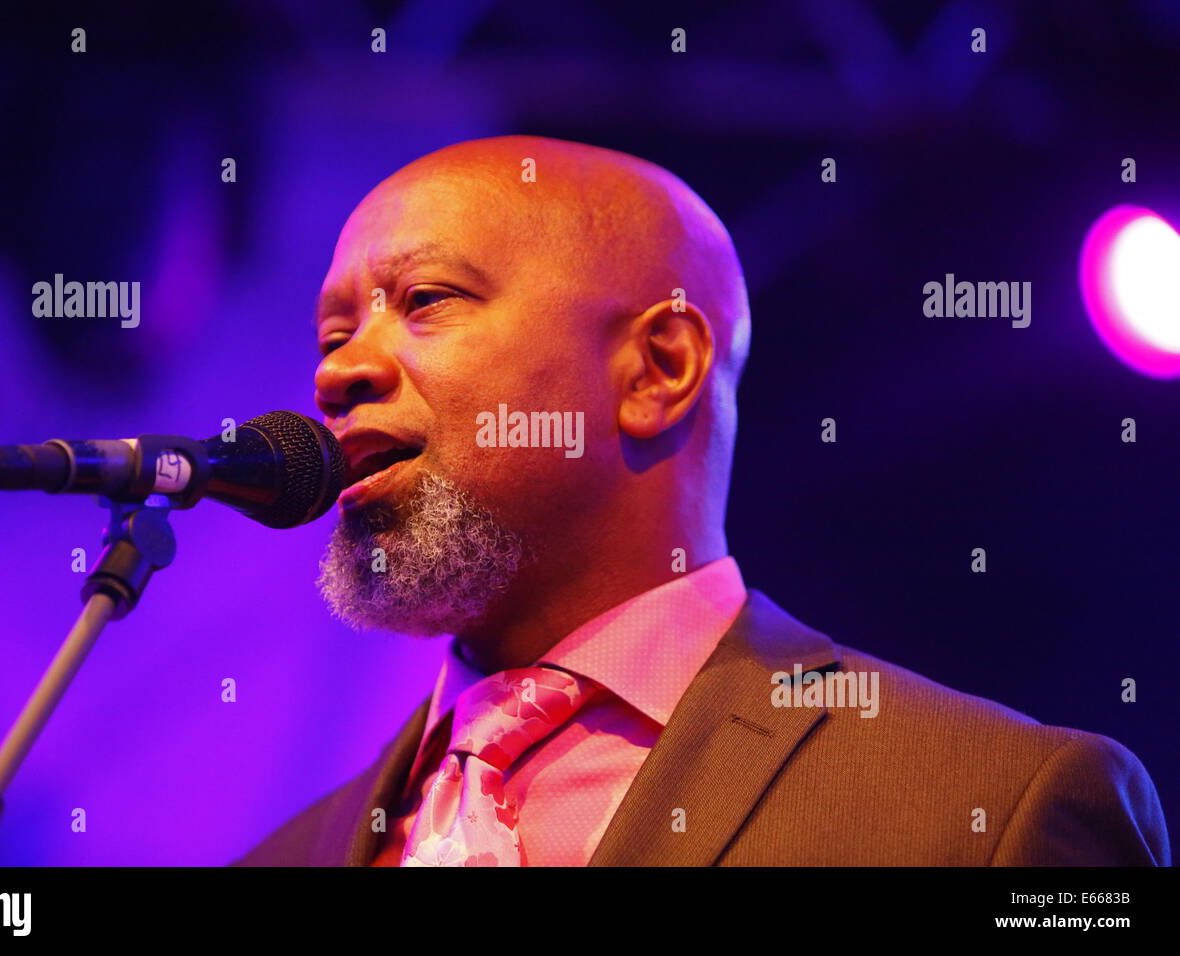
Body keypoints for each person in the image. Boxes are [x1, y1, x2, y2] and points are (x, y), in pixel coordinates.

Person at [236, 136, 1169, 866]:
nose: (340, 371)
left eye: (426, 299)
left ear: (658, 368)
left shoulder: (998, 809)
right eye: (333, 331)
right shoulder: (280, 860)